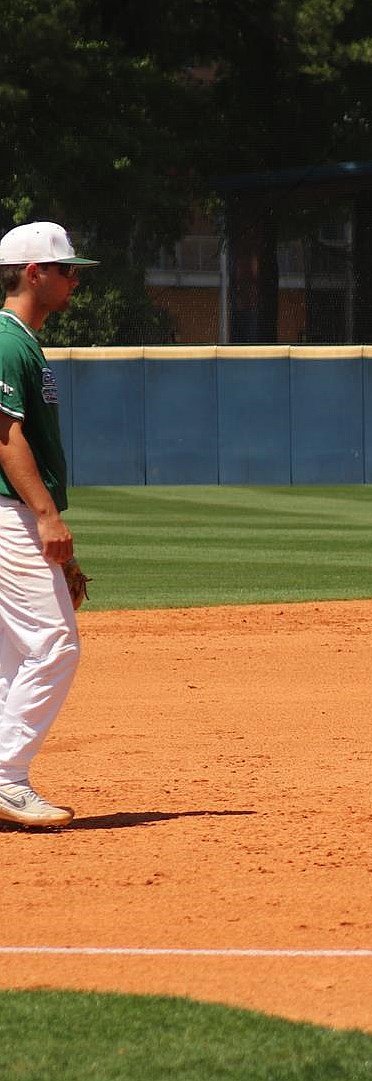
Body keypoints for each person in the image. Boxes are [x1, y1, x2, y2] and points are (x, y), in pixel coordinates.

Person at [0, 222, 96, 828]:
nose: (73, 279)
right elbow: (4, 436)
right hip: (9, 509)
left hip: (10, 511)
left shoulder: (23, 342)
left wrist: (67, 559)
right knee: (56, 645)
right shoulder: (8, 342)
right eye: (65, 269)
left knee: (14, 655)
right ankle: (6, 778)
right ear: (34, 272)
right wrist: (46, 516)